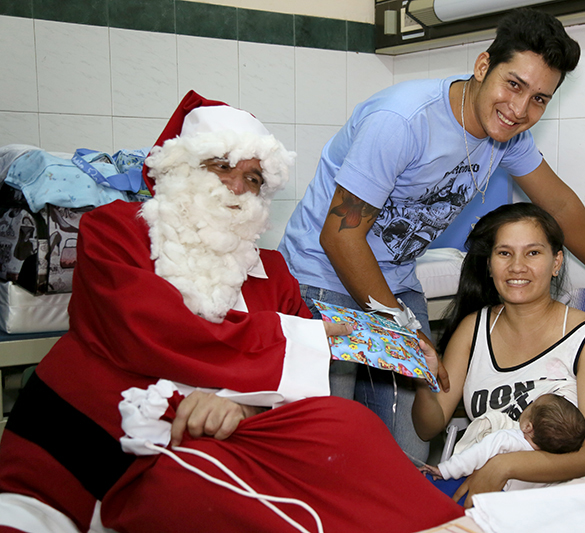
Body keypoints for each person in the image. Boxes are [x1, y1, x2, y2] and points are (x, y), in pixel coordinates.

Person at [0, 91, 464, 533]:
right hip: (105, 431)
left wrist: (244, 404)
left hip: (230, 436)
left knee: (351, 425)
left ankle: (449, 523)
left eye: (254, 179)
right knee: (203, 483)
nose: (237, 188)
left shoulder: (272, 272)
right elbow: (150, 332)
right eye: (221, 167)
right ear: (181, 167)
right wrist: (294, 340)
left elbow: (301, 371)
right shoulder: (115, 232)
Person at [277, 7, 585, 462]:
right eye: (514, 85)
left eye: (539, 99)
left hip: (393, 282)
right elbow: (340, 237)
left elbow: (559, 204)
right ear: (483, 65)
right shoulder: (403, 120)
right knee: (326, 446)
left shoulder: (506, 136)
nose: (519, 110)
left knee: (409, 452)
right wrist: (404, 326)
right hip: (323, 279)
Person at [412, 202, 585, 507]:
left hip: (553, 498)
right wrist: (422, 378)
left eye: (533, 253)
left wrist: (504, 466)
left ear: (556, 262)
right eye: (504, 253)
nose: (517, 266)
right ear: (489, 264)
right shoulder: (474, 328)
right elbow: (427, 427)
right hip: (474, 487)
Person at [424, 393, 585, 487]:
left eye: (531, 406)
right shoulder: (548, 469)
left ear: (528, 427)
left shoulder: (508, 438)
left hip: (479, 488)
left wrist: (445, 470)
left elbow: (476, 454)